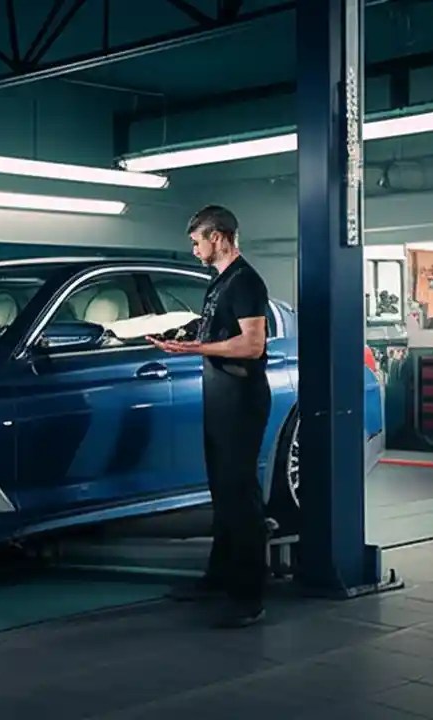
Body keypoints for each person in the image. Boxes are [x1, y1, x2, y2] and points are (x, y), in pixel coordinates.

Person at [148, 204, 272, 629]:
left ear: (217, 238)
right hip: (219, 397)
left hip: (241, 398)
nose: (194, 247)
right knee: (222, 492)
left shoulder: (246, 281)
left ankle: (249, 596)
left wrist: (195, 350)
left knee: (240, 494)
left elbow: (252, 345)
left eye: (197, 240)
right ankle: (220, 578)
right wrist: (184, 336)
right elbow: (220, 332)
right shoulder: (218, 282)